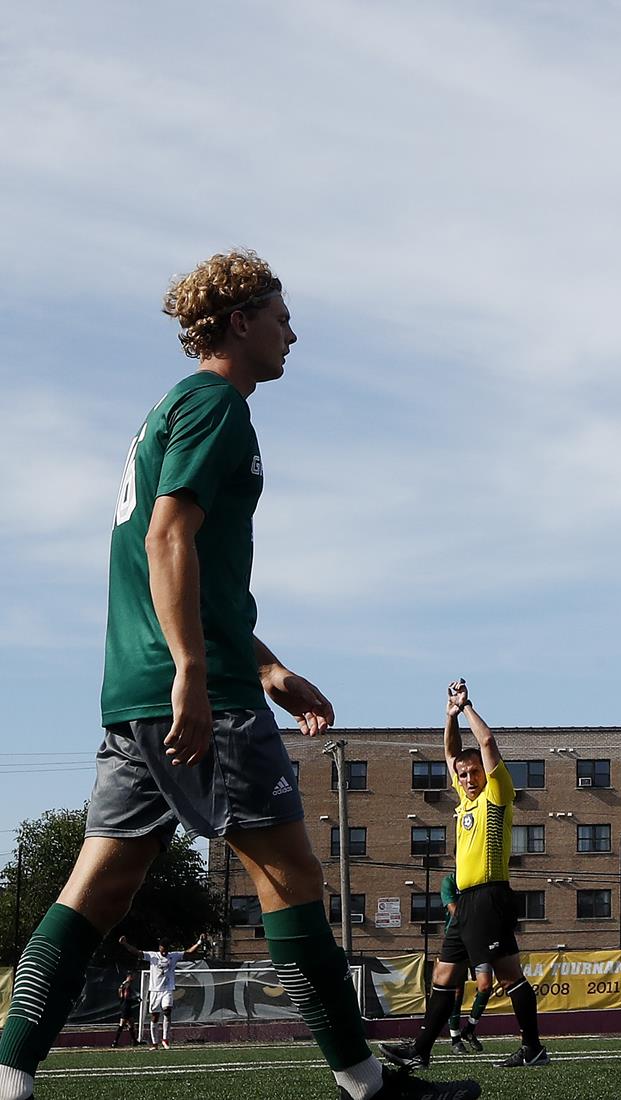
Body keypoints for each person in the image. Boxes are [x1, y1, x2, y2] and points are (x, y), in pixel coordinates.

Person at [0, 251, 475, 1100]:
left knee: (99, 886)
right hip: (196, 694)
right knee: (292, 879)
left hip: (136, 692)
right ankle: (368, 1083)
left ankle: (8, 1075)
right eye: (282, 314)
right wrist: (200, 674)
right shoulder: (217, 403)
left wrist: (268, 666)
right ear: (238, 321)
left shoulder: (171, 410)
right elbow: (167, 540)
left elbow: (196, 572)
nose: (293, 330)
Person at [382, 680, 548, 1070]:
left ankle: (533, 1047)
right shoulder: (464, 799)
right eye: (463, 774)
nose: (468, 778)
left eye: (473, 772)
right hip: (465, 903)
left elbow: (486, 742)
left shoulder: (496, 793)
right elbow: (451, 752)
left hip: (489, 896)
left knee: (508, 977)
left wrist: (467, 706)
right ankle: (421, 1051)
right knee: (443, 974)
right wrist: (449, 716)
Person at [436, 873, 496, 1054]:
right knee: (457, 990)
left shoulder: (480, 880)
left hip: (480, 939)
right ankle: (455, 1038)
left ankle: (469, 1029)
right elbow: (455, 910)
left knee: (485, 986)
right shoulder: (449, 881)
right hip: (458, 940)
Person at [119, 934, 204, 1048]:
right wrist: (125, 944)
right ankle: (155, 1043)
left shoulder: (173, 956)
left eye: (166, 951)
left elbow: (188, 953)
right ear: (159, 948)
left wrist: (199, 942)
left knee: (167, 1010)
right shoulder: (152, 956)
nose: (164, 953)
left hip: (167, 989)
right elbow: (137, 952)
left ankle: (165, 1039)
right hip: (155, 990)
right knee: (155, 1017)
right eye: (162, 950)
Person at [112, 969, 139, 1049]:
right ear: (129, 976)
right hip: (126, 1006)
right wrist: (134, 999)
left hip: (125, 1005)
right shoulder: (127, 984)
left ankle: (134, 1041)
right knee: (122, 1024)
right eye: (133, 975)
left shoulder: (123, 984)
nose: (134, 977)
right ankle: (115, 1042)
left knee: (131, 1023)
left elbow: (120, 994)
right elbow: (126, 996)